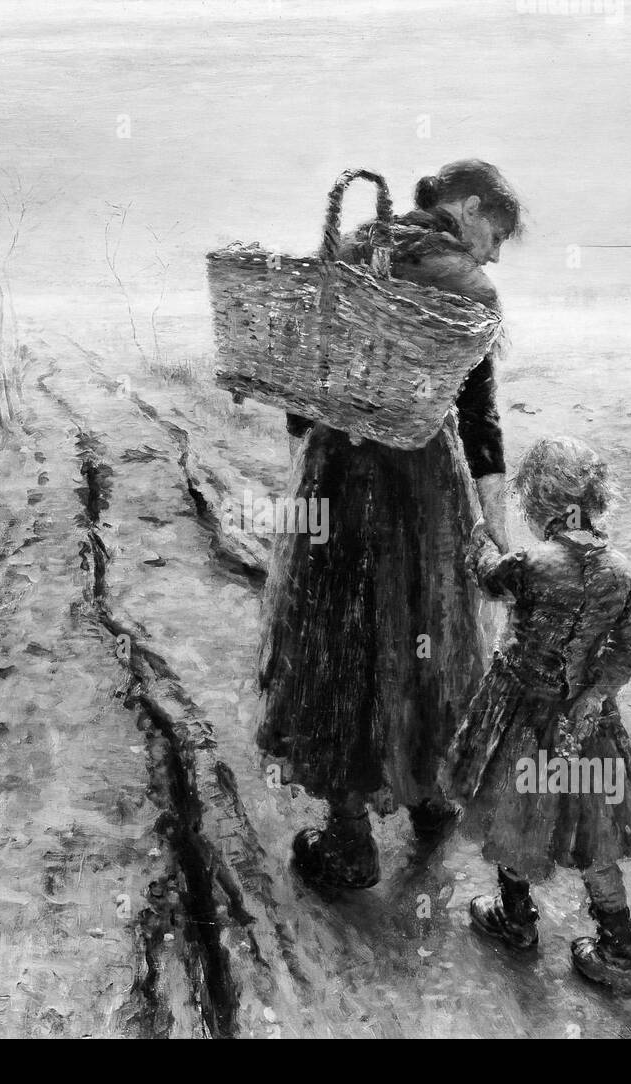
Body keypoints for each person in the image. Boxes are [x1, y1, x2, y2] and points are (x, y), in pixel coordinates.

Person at [256, 159, 523, 889]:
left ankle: (349, 834)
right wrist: (495, 529)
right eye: (495, 233)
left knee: (340, 632)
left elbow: (303, 381)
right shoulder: (469, 287)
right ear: (467, 209)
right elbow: (478, 421)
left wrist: (304, 467)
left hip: (340, 472)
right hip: (423, 481)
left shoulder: (344, 257)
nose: (494, 252)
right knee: (428, 626)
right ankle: (430, 789)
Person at [441, 436, 631, 997]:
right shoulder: (621, 571)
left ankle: (516, 919)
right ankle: (619, 951)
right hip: (589, 727)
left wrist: (480, 535)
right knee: (594, 832)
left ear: (541, 503)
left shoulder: (531, 564)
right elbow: (628, 651)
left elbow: (487, 576)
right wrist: (591, 697)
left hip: (524, 716)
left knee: (516, 813)